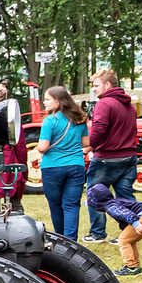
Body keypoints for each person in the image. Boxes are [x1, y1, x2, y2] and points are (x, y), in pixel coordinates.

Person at [84, 69, 140, 243]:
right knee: (125, 197)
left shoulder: (104, 103)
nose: (94, 89)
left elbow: (99, 129)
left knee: (95, 194)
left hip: (107, 158)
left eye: (96, 85)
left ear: (107, 85)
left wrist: (89, 146)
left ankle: (97, 234)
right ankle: (130, 233)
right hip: (129, 157)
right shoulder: (130, 106)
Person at [35, 85, 90, 237]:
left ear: (58, 101)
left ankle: (61, 238)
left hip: (53, 167)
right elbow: (86, 144)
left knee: (56, 205)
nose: (44, 102)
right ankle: (71, 240)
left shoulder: (50, 121)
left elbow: (42, 147)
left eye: (47, 99)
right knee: (72, 205)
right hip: (76, 166)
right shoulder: (80, 119)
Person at [87, 183, 142, 276]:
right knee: (130, 241)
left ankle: (131, 267)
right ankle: (135, 266)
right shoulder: (114, 202)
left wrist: (135, 223)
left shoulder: (111, 206)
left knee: (123, 240)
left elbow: (124, 213)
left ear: (97, 202)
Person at [0, 84, 28, 212]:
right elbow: (20, 146)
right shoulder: (12, 118)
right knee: (14, 204)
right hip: (8, 161)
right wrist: (23, 165)